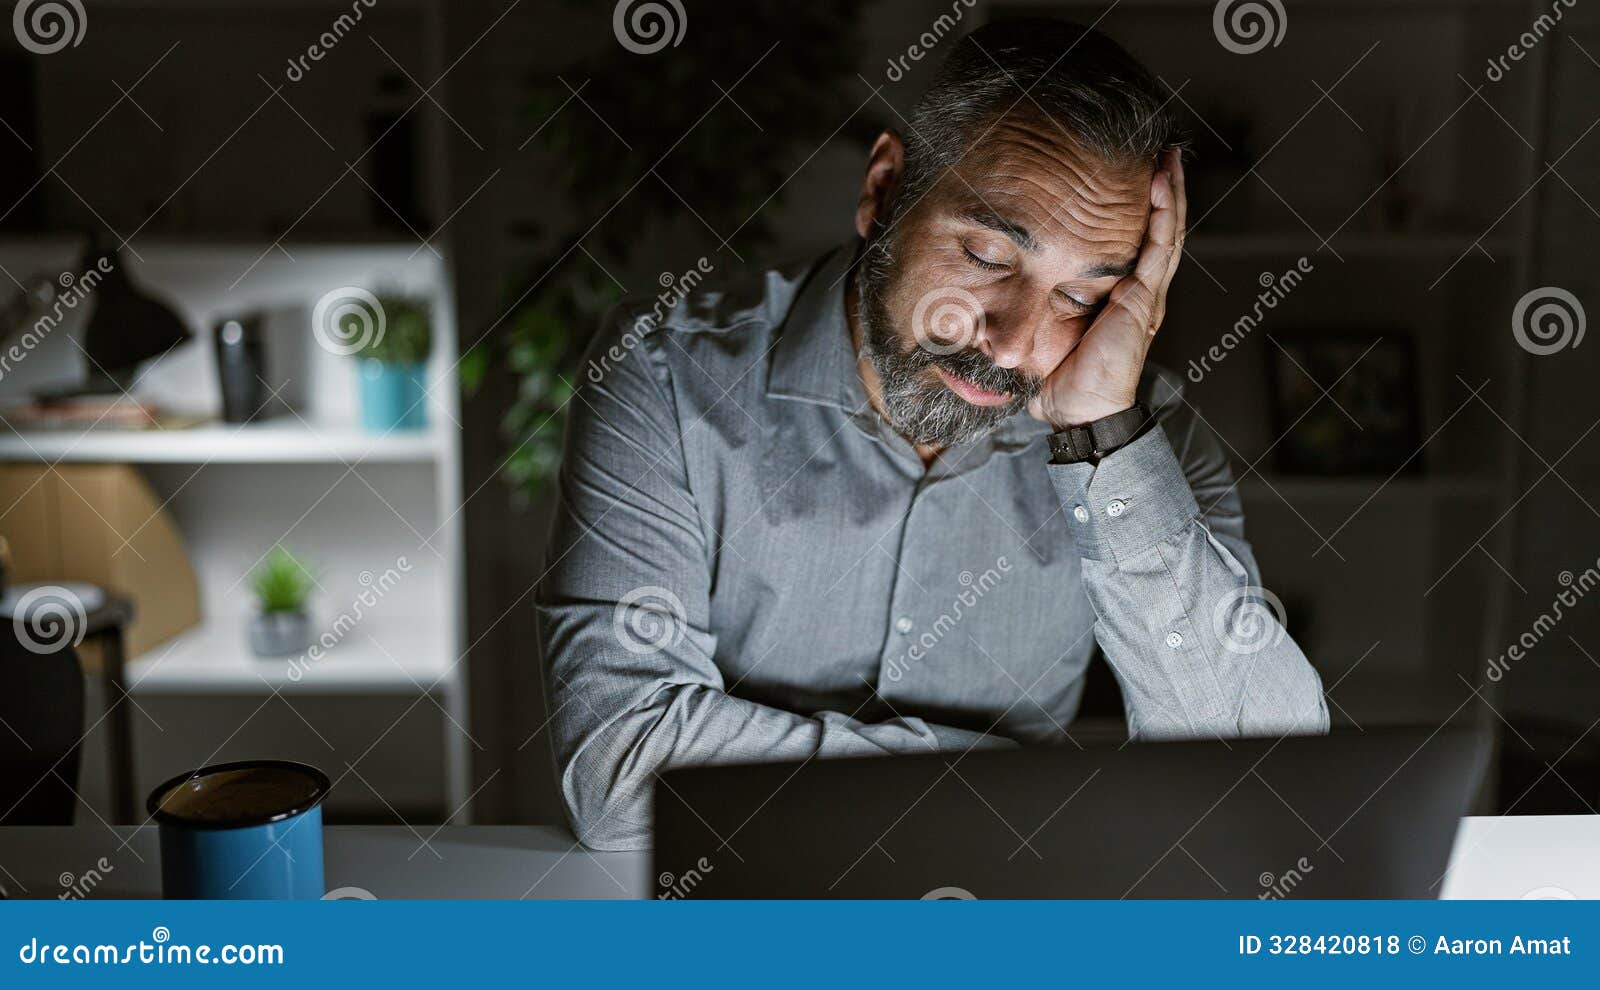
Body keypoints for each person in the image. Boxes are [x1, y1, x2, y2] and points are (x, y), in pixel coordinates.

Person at [536, 18, 1329, 851]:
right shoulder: (666, 375)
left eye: (1082, 299)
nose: (1016, 343)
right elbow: (620, 774)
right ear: (884, 189)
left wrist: (1105, 441)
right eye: (988, 254)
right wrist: (1007, 781)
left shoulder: (1140, 435)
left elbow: (1257, 776)